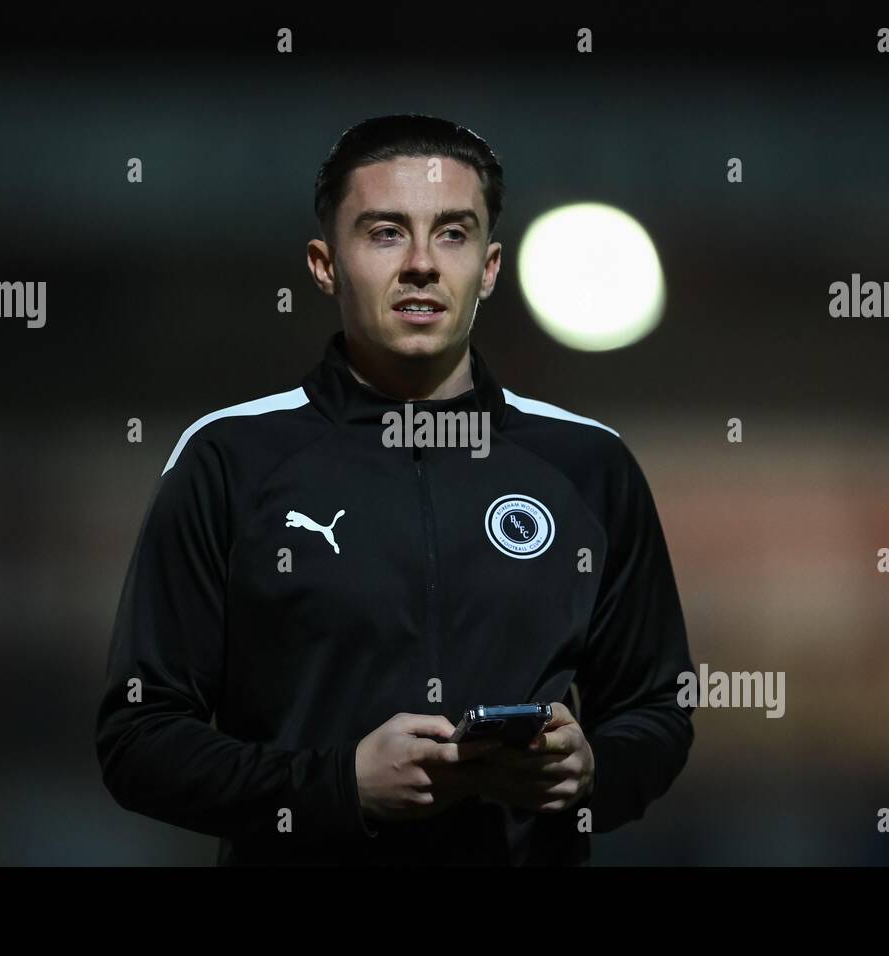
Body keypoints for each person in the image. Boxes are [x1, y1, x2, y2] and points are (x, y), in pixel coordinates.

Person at [95, 113, 695, 865]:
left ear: (490, 266)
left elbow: (658, 707)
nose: (421, 263)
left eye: (453, 233)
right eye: (384, 232)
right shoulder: (231, 458)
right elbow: (138, 738)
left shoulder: (587, 464)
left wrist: (592, 771)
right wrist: (337, 786)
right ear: (323, 264)